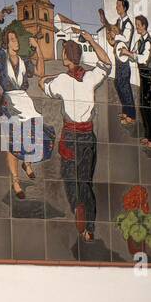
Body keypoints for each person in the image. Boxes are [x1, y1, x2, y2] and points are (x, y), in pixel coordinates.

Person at [38, 30, 111, 243]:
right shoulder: (90, 77)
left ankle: (79, 214)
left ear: (67, 57)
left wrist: (43, 77)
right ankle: (89, 227)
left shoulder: (61, 80)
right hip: (89, 136)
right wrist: (90, 39)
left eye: (63, 54)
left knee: (71, 180)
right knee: (86, 181)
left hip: (71, 137)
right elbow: (106, 62)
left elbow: (44, 86)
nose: (62, 57)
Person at [0, 7, 53, 200]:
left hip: (25, 102)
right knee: (13, 143)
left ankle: (27, 161)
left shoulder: (24, 62)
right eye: (12, 40)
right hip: (9, 103)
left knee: (35, 131)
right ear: (6, 44)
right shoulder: (0, 58)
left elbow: (40, 71)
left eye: (17, 39)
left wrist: (37, 47)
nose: (16, 42)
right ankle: (15, 180)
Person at [99, 0, 136, 125]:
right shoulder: (119, 22)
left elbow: (125, 39)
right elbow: (113, 32)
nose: (117, 7)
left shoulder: (128, 24)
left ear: (124, 8)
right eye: (116, 5)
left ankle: (131, 115)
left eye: (119, 5)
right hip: (118, 58)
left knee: (124, 85)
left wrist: (115, 36)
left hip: (124, 58)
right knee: (118, 83)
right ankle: (126, 111)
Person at [128, 15, 151, 149]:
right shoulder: (139, 41)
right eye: (136, 25)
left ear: (144, 26)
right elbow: (134, 56)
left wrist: (130, 54)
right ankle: (147, 135)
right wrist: (129, 53)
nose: (137, 27)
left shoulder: (149, 43)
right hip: (143, 75)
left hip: (149, 76)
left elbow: (143, 59)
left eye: (138, 25)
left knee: (148, 107)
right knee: (142, 106)